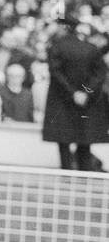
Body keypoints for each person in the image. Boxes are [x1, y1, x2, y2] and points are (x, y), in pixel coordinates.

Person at [42, 17, 109, 171]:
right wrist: (85, 92)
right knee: (84, 144)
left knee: (63, 144)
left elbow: (56, 74)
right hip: (86, 103)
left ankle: (66, 175)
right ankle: (84, 178)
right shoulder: (91, 48)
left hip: (62, 101)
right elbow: (99, 74)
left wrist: (72, 93)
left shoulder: (56, 47)